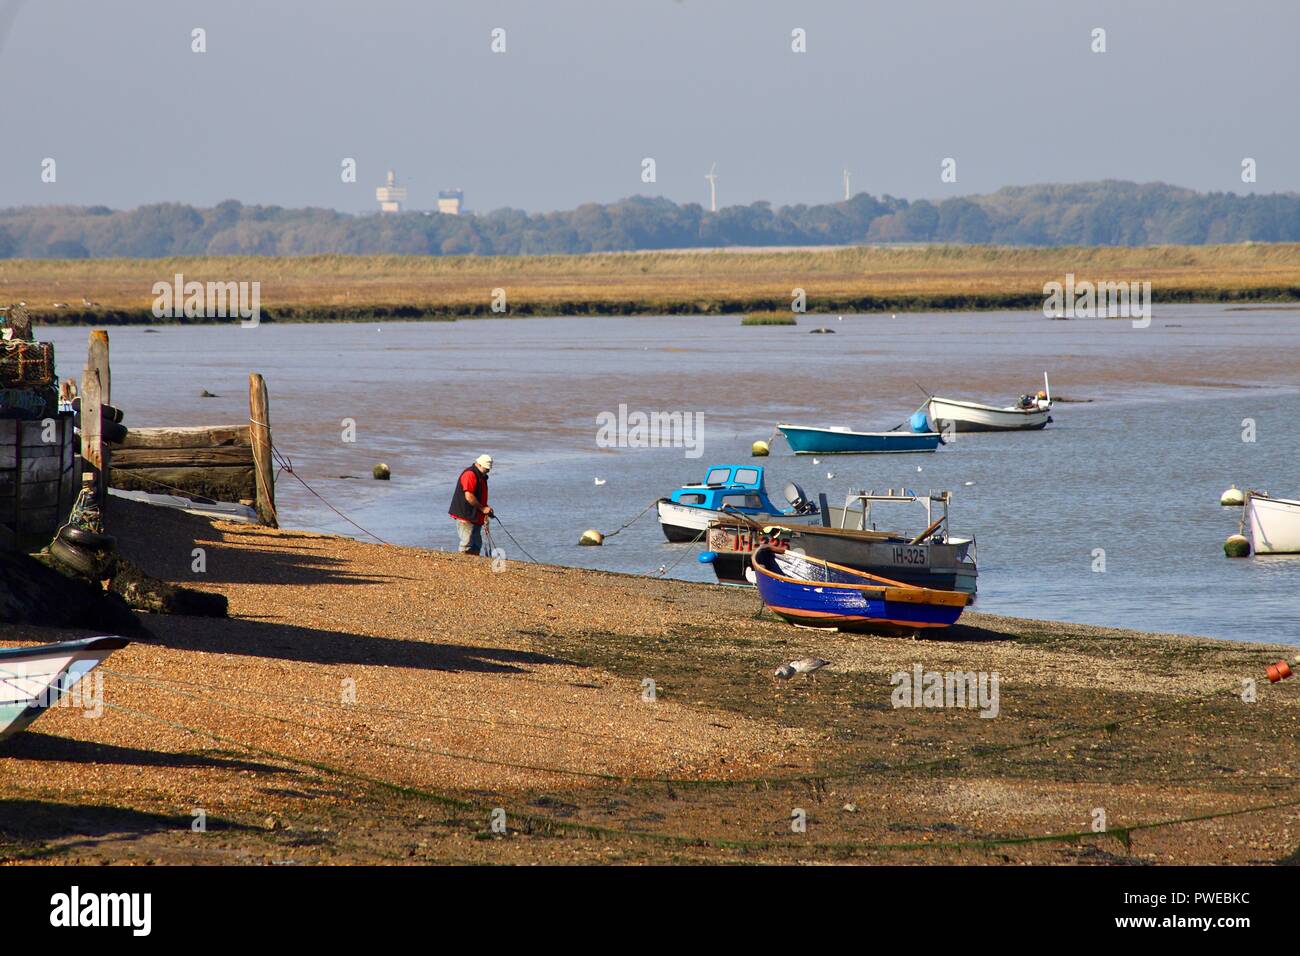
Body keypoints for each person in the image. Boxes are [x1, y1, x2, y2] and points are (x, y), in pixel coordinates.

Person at [449, 454, 492, 554]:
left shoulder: (481, 476)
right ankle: (463, 563)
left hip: (475, 515)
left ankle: (473, 562)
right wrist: (483, 509)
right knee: (467, 542)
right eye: (486, 468)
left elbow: (478, 495)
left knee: (476, 544)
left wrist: (485, 509)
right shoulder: (470, 474)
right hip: (465, 514)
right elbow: (469, 496)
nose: (488, 471)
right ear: (479, 464)